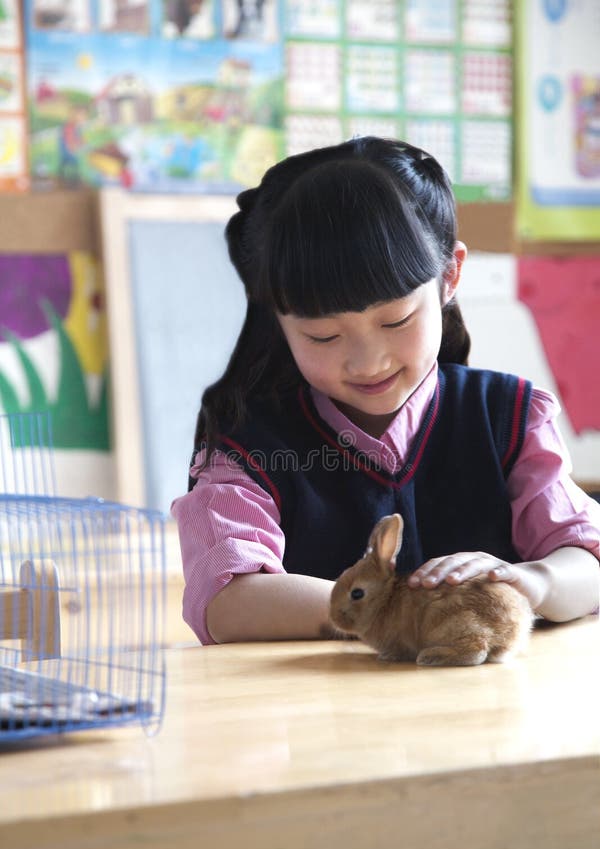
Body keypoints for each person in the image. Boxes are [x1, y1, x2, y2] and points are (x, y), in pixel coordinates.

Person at [171, 136, 600, 645]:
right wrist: (393, 616)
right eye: (323, 336)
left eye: (396, 320)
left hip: (490, 712)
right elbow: (227, 600)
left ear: (450, 275)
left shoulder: (510, 419)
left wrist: (533, 581)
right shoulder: (248, 447)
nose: (367, 361)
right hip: (316, 715)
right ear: (278, 320)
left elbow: (588, 562)